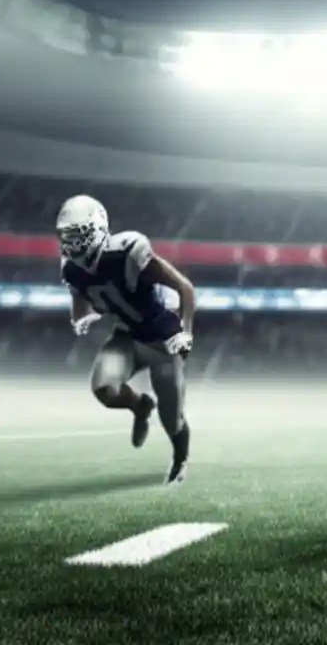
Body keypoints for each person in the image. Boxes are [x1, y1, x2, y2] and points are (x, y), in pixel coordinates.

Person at [57, 195, 197, 485]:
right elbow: (80, 299)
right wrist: (81, 316)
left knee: (172, 419)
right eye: (67, 237)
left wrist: (186, 332)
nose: (72, 244)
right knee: (104, 389)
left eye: (78, 235)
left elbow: (185, 288)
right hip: (127, 337)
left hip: (162, 342)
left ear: (98, 229)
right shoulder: (72, 269)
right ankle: (140, 406)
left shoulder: (128, 252)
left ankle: (181, 458)